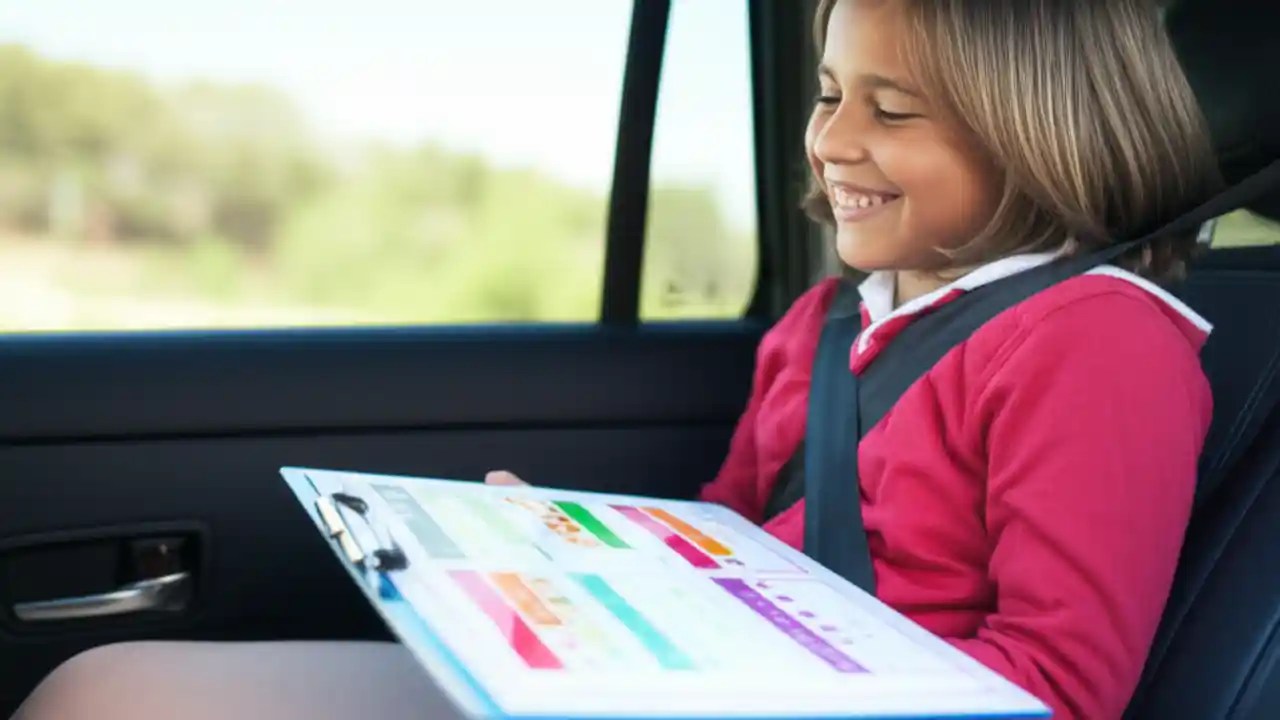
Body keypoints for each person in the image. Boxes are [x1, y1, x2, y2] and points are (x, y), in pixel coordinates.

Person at [14, 1, 1223, 719]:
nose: (830, 138)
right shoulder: (828, 326)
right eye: (824, 93)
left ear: (1033, 126)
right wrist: (563, 549)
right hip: (670, 684)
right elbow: (729, 533)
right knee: (106, 686)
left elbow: (1054, 690)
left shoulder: (1095, 337)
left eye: (890, 109)